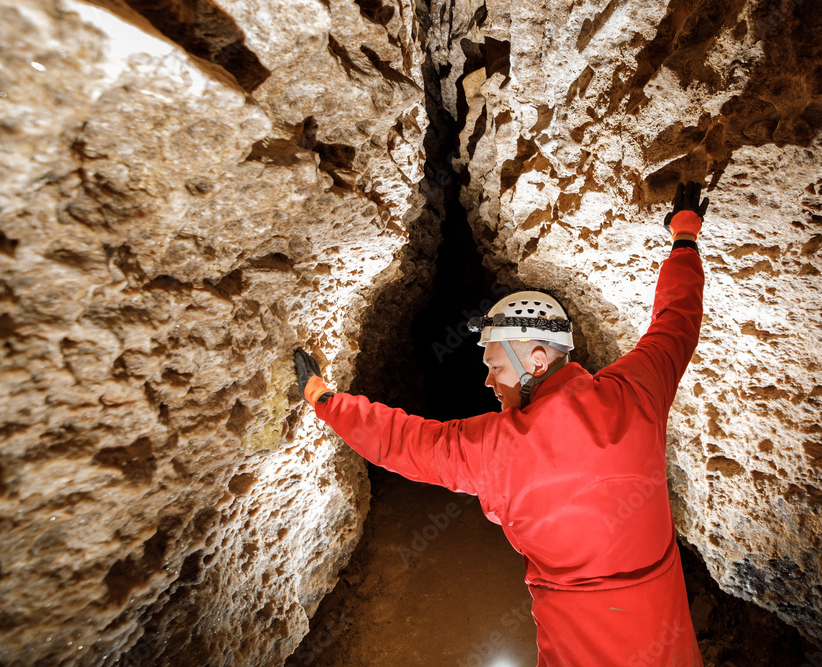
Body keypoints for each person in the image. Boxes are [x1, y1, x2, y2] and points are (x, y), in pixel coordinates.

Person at [293, 181, 710, 666]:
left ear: (535, 359)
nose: (489, 380)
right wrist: (685, 236)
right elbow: (676, 323)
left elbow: (400, 442)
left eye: (496, 365)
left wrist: (323, 398)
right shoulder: (637, 392)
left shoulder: (497, 447)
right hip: (669, 639)